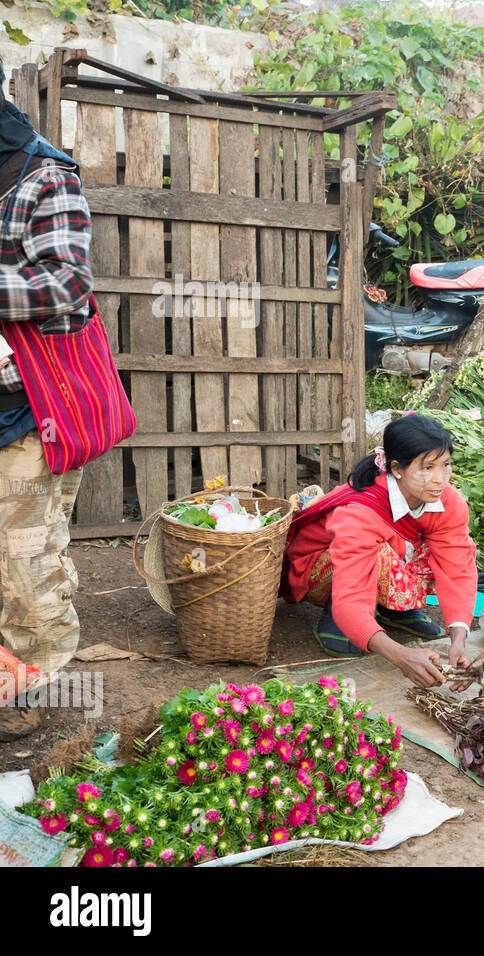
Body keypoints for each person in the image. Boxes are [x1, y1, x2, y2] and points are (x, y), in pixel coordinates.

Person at [0, 65, 96, 740]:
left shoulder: (43, 176)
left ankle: (32, 690)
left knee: (26, 561)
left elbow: (65, 287)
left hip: (29, 407)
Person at [281, 414, 478, 687]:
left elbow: (457, 568)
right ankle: (338, 623)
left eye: (445, 465)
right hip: (317, 569)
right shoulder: (359, 513)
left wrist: (458, 640)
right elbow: (350, 594)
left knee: (455, 550)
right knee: (379, 554)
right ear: (397, 469)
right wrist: (400, 656)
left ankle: (394, 610)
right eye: (427, 468)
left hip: (381, 558)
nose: (440, 479)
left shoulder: (447, 503)